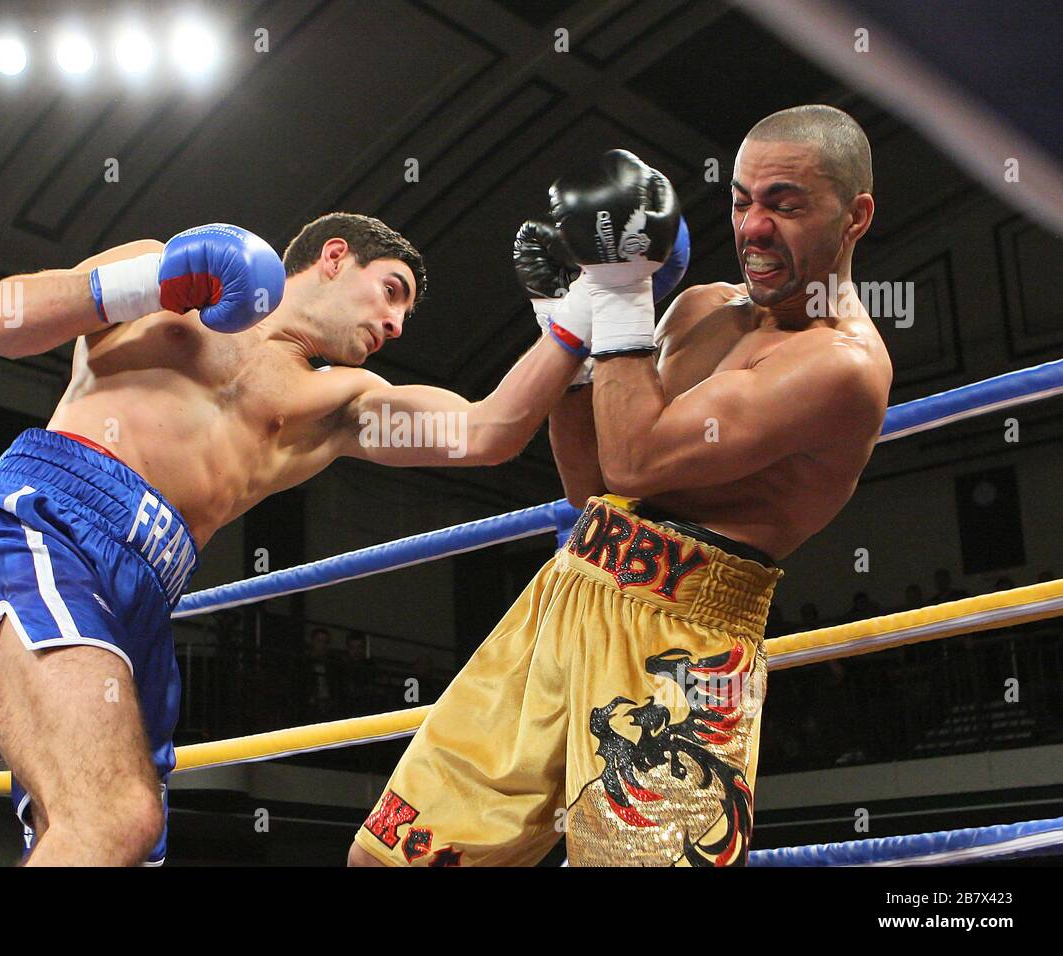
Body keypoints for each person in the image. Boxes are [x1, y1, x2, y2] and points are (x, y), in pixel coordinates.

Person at [0, 213, 595, 866]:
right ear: (334, 257)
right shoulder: (163, 278)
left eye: (405, 316)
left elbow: (486, 433)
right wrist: (151, 281)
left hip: (148, 593)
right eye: (391, 291)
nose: (395, 324)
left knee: (110, 836)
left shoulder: (338, 406)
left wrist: (573, 316)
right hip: (51, 521)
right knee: (113, 817)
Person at [351, 104, 893, 867]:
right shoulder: (704, 308)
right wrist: (567, 331)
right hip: (572, 588)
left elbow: (639, 463)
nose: (755, 228)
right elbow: (596, 484)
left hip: (683, 645)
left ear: (855, 215)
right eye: (741, 201)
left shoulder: (842, 367)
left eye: (785, 203)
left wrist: (616, 296)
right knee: (389, 859)